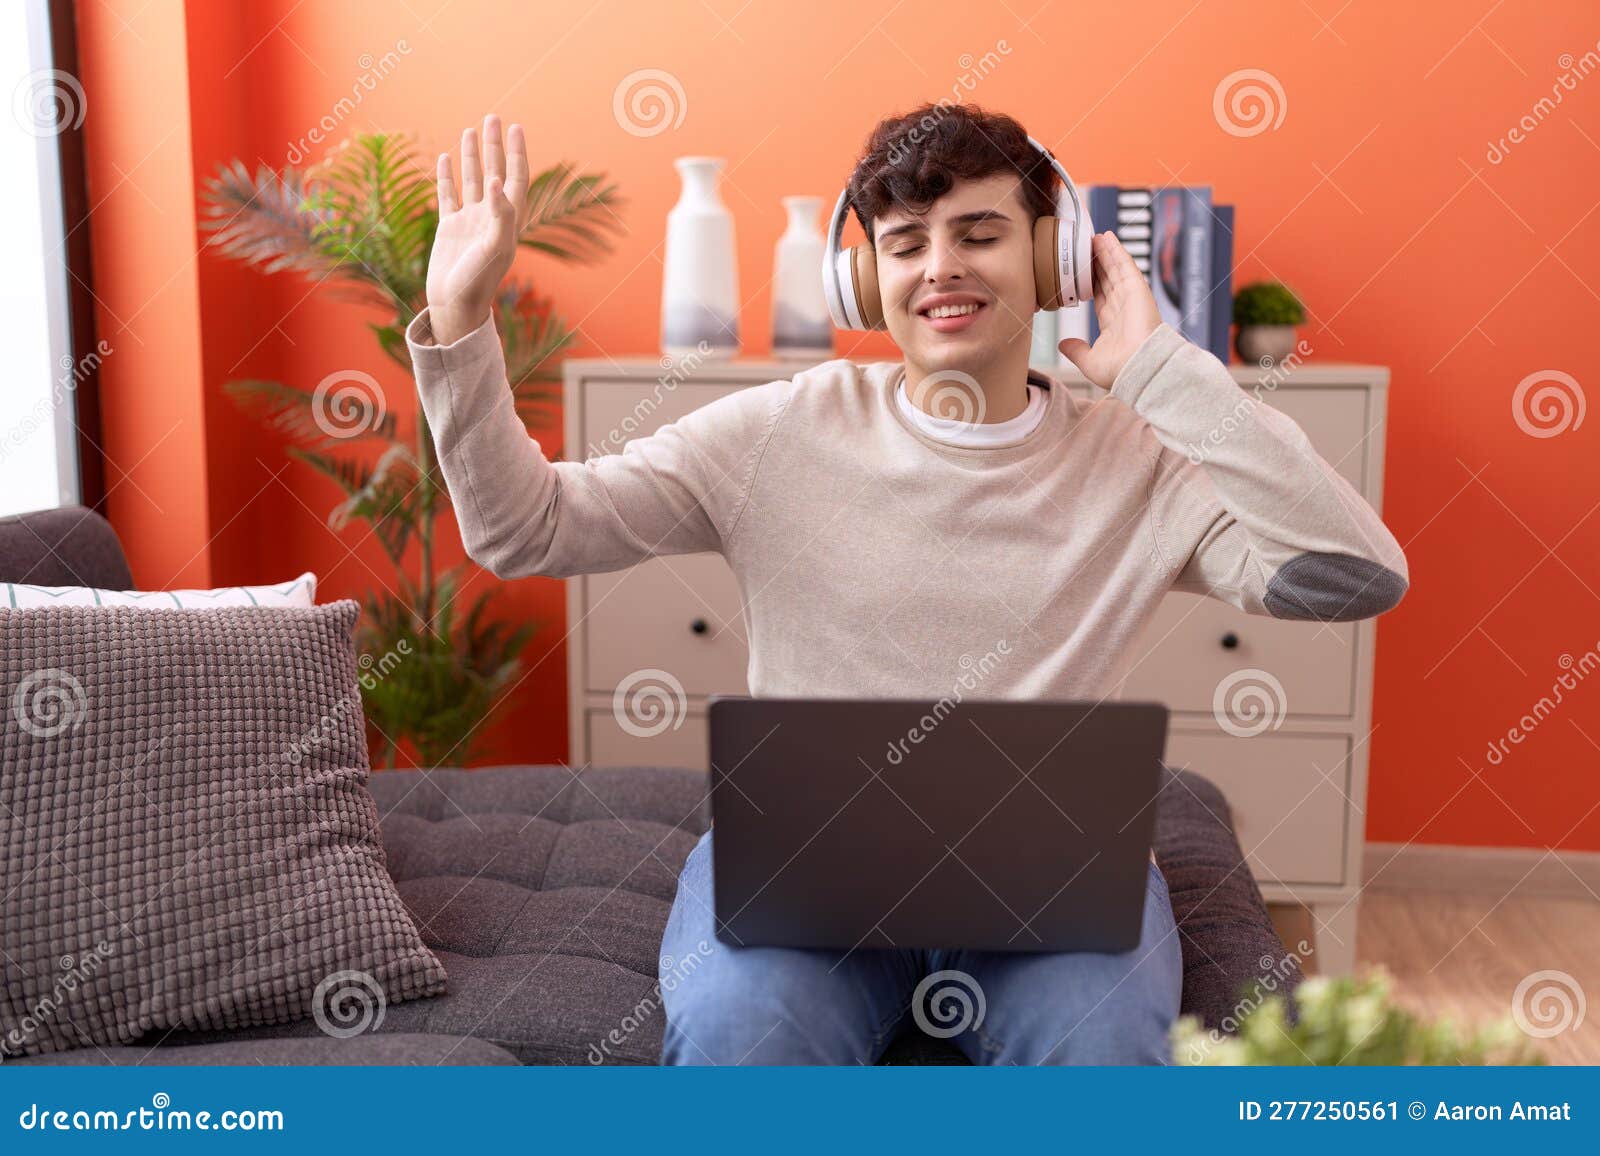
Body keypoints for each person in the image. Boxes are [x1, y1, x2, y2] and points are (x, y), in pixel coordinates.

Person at [406, 103, 1409, 1065]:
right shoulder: (776, 433)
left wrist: (1160, 369)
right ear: (862, 277)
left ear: (1056, 260)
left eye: (979, 233)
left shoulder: (1135, 455)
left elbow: (1353, 573)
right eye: (906, 243)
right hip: (805, 884)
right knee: (741, 1037)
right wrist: (457, 316)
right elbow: (519, 527)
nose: (941, 268)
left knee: (1102, 1049)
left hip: (1055, 893)